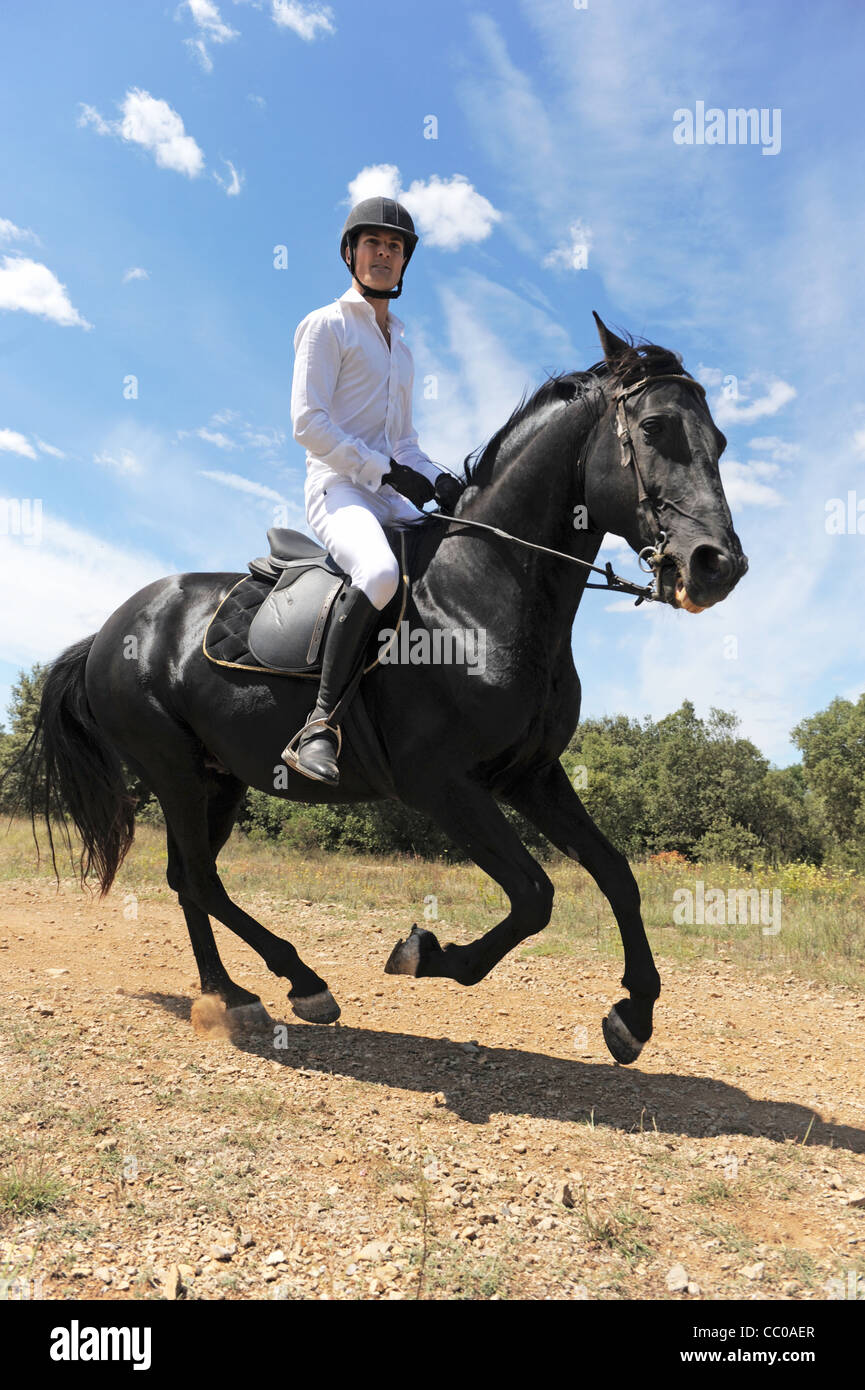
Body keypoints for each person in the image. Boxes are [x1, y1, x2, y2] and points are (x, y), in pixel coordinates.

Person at [282, 196, 462, 784]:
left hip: (388, 491)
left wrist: (438, 478)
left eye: (395, 247)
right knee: (382, 575)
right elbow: (307, 423)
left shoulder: (402, 348)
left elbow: (404, 442)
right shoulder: (325, 324)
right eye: (373, 244)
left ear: (405, 261)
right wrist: (379, 470)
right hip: (337, 487)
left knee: (455, 552)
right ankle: (319, 724)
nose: (384, 254)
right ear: (351, 253)